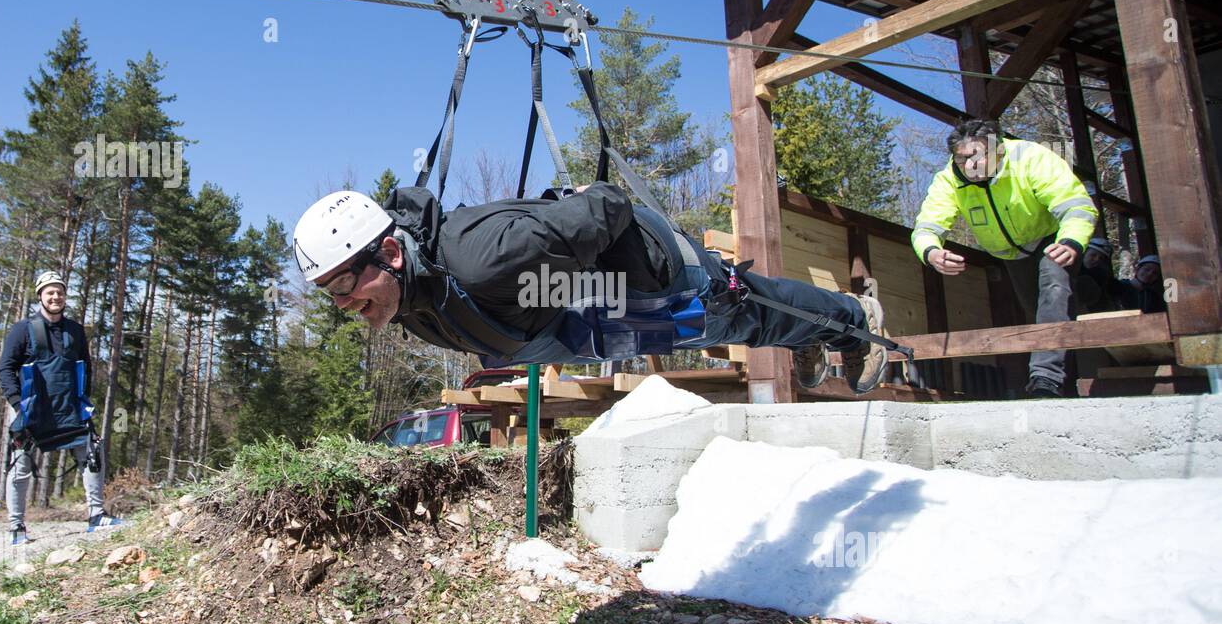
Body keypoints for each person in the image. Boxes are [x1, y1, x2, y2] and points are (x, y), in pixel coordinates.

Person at [291, 183, 890, 394]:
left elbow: (606, 205)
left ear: (390, 251)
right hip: (585, 320)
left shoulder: (481, 259)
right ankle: (808, 336)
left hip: (646, 285)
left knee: (740, 313)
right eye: (329, 292)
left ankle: (853, 319)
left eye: (344, 283)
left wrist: (577, 220)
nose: (344, 303)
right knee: (743, 328)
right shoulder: (404, 298)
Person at [912, 120, 1098, 397]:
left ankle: (1045, 380)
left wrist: (1071, 241)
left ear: (997, 150)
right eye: (962, 159)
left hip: (1052, 239)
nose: (971, 166)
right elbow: (927, 227)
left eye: (978, 157)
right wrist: (931, 252)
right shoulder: (948, 179)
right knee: (1036, 311)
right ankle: (1064, 385)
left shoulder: (1031, 157)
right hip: (1011, 255)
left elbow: (1076, 205)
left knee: (1054, 285)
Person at [0, 271, 121, 545]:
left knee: (91, 452)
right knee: (20, 464)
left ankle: (96, 515)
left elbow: (86, 368)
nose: (55, 297)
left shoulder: (75, 331)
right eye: (50, 292)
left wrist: (83, 401)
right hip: (30, 408)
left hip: (68, 405)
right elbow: (5, 368)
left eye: (60, 292)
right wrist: (18, 404)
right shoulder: (22, 329)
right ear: (40, 296)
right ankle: (16, 527)